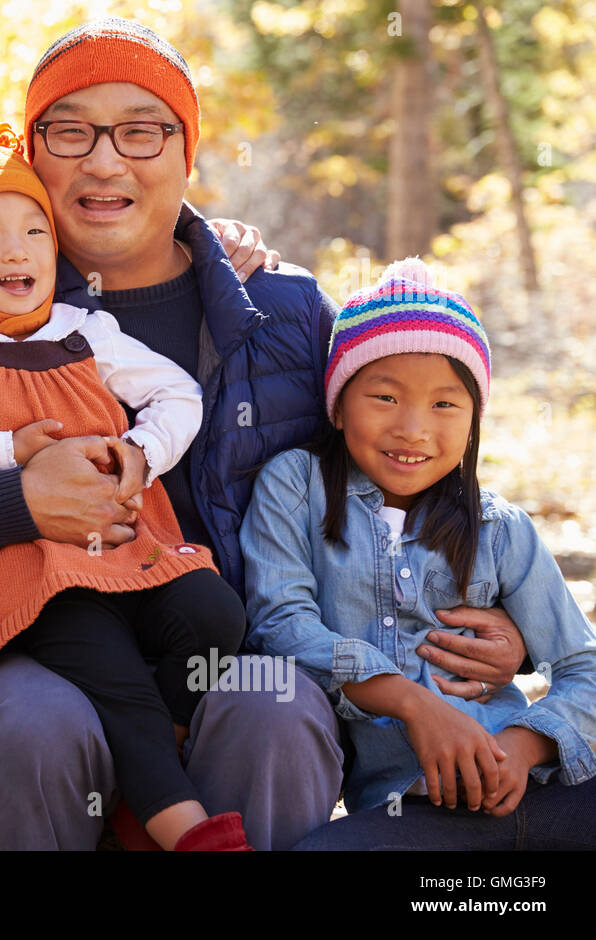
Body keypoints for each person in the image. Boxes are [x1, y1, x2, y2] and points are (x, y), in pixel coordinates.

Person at [0, 17, 533, 850]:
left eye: (142, 130)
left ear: (186, 153)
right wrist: (17, 499)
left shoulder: (285, 314)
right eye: (71, 130)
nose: (105, 159)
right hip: (40, 642)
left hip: (239, 645)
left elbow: (401, 472)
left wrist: (499, 621)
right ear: (32, 155)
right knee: (30, 725)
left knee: (274, 708)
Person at [0, 110, 251, 849]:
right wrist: (9, 451)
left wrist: (143, 452)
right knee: (103, 662)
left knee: (214, 614)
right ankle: (181, 827)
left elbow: (179, 393)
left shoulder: (81, 328)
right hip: (28, 566)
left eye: (33, 232)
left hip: (125, 548)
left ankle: (140, 779)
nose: (14, 251)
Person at [237, 259, 596, 850]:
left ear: (475, 417)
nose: (413, 429)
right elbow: (281, 624)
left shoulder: (499, 529)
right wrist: (413, 705)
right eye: (384, 396)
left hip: (537, 789)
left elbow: (582, 667)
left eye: (445, 405)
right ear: (339, 402)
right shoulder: (296, 487)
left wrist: (522, 746)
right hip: (412, 812)